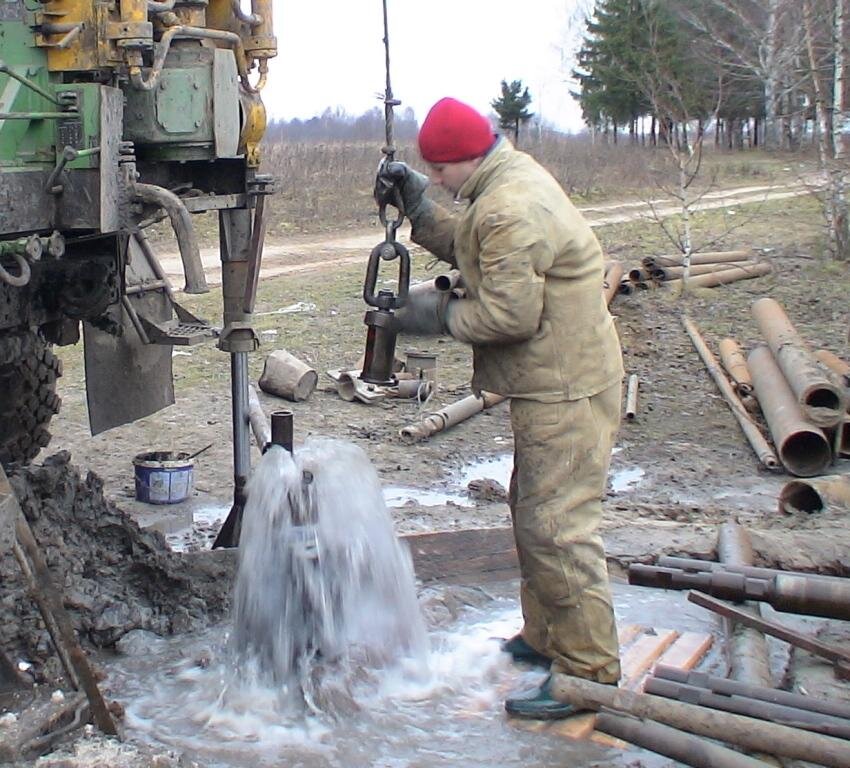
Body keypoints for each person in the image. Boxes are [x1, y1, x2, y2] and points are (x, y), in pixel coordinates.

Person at [375, 97, 624, 720]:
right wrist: (418, 207)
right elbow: (472, 244)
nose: (436, 179)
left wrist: (435, 315)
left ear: (467, 157)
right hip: (556, 379)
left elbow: (511, 315)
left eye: (437, 171)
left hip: (567, 386)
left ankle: (589, 673)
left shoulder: (510, 205)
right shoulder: (503, 183)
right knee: (533, 514)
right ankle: (547, 640)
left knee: (557, 529)